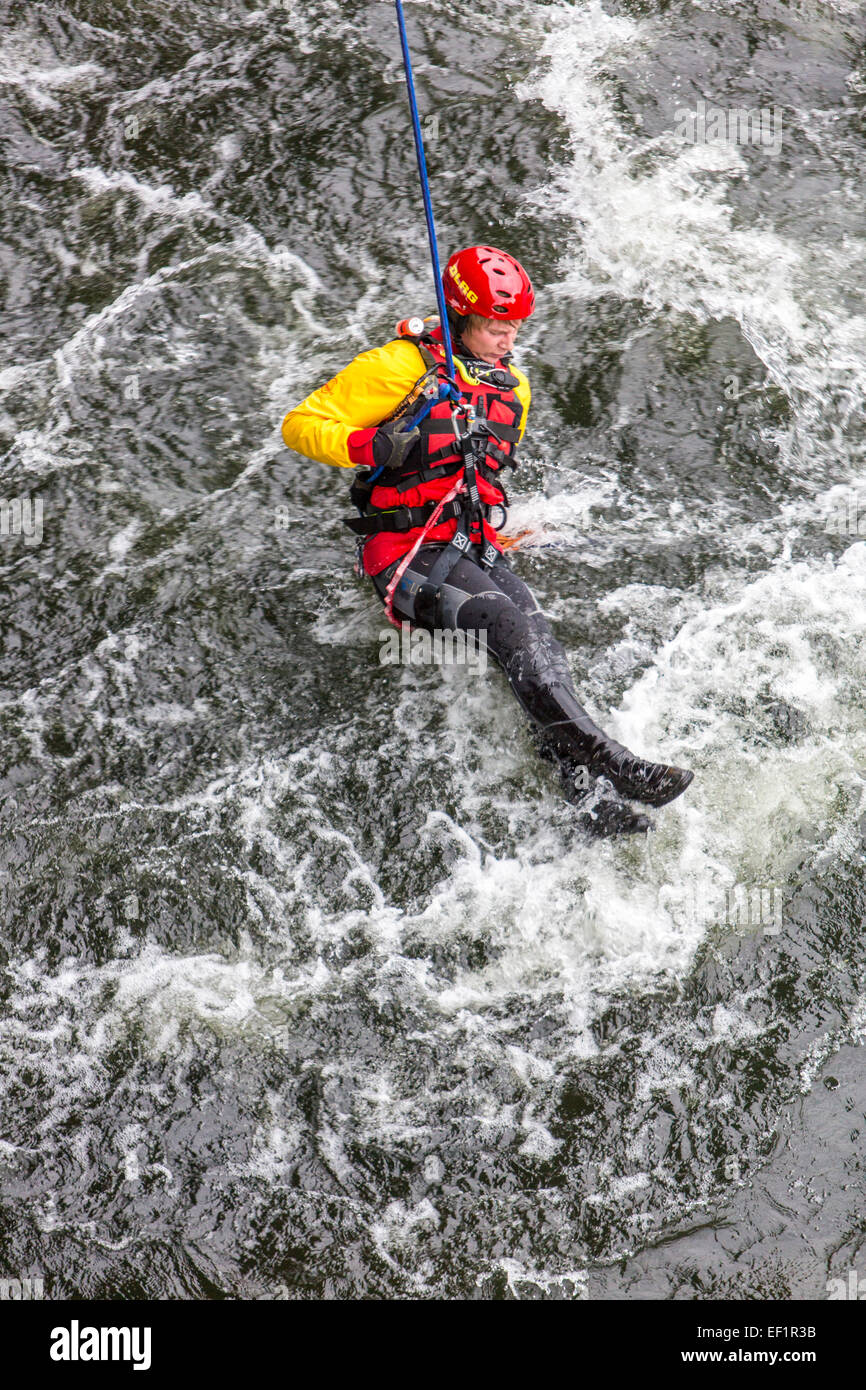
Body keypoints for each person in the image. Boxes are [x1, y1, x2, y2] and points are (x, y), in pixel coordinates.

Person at [281, 245, 693, 835]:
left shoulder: (512, 388)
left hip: (467, 543)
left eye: (515, 328)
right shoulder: (395, 367)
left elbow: (480, 477)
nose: (509, 339)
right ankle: (615, 764)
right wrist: (372, 447)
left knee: (538, 637)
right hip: (401, 554)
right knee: (508, 626)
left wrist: (512, 526)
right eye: (497, 327)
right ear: (461, 317)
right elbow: (300, 424)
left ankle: (587, 803)